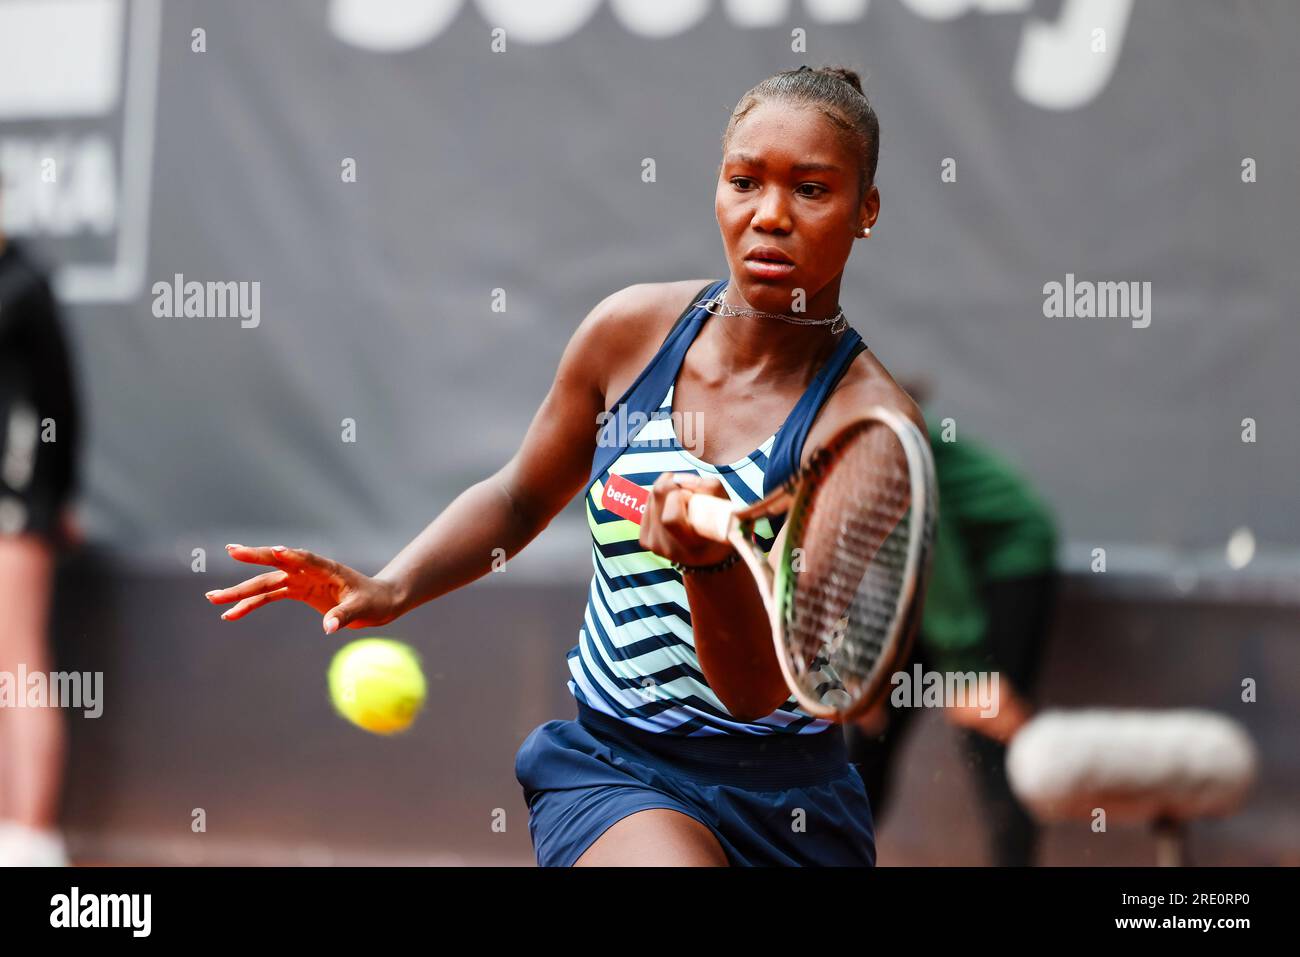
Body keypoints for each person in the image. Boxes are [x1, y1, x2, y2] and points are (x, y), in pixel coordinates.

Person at [208, 65, 924, 866]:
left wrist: (712, 562)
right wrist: (392, 586)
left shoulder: (871, 429)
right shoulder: (629, 333)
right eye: (744, 181)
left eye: (812, 190)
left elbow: (756, 690)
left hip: (794, 805)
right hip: (617, 769)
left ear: (865, 210)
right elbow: (522, 496)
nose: (770, 215)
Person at [845, 383, 1058, 866]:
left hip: (1004, 562)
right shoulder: (814, 445)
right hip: (931, 584)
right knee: (871, 733)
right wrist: (860, 669)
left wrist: (969, 671)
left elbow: (933, 550)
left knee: (989, 729)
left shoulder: (880, 437)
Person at [0, 192, 82, 867]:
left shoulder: (26, 285)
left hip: (16, 506)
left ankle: (32, 838)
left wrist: (55, 499)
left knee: (18, 664)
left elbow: (62, 403)